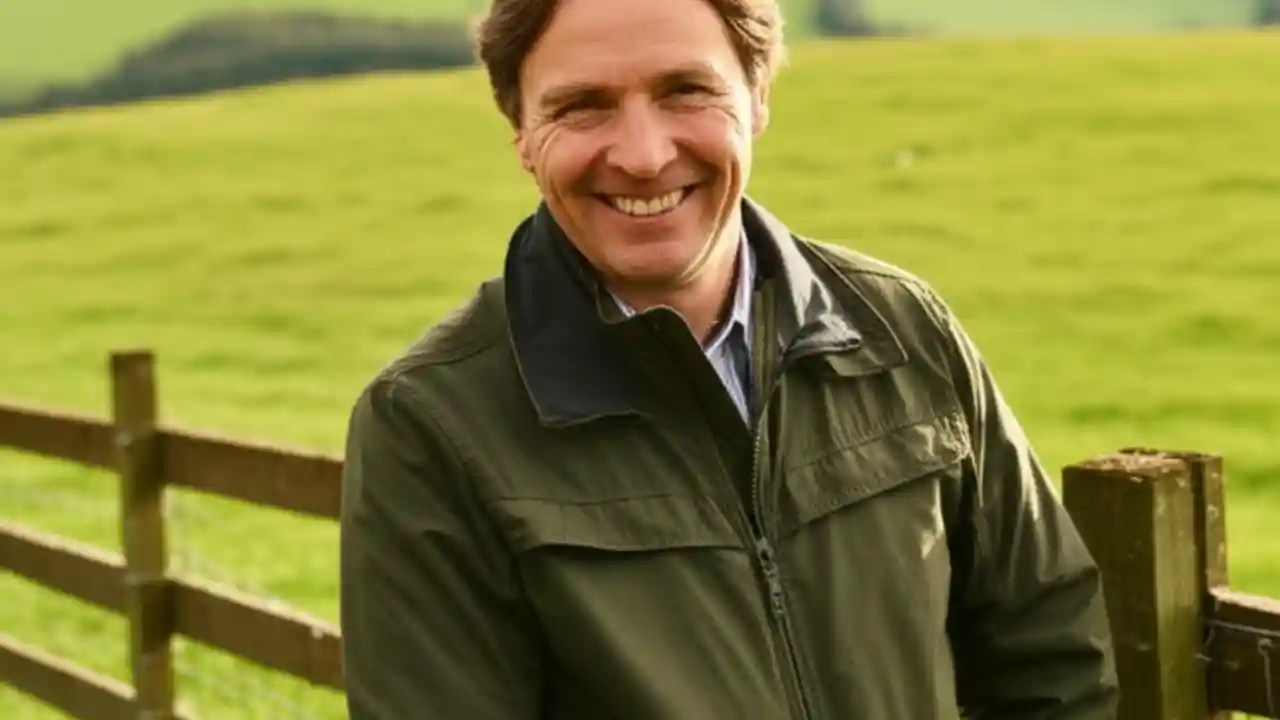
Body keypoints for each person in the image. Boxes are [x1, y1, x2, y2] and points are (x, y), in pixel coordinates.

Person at [339, 0, 1119, 717]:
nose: (643, 156)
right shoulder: (429, 425)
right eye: (583, 106)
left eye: (686, 91)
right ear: (521, 133)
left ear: (757, 98)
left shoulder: (904, 331)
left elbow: (1049, 660)